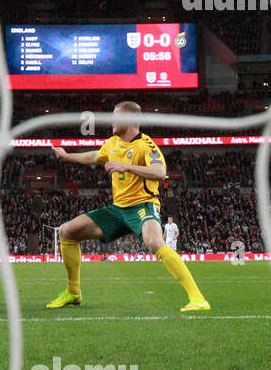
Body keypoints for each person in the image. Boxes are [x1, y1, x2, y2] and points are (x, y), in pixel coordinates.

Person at [48, 101, 209, 312]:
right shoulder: (113, 142)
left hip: (143, 205)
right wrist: (67, 155)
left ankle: (198, 298)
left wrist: (126, 166)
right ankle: (73, 292)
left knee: (154, 242)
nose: (112, 121)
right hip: (118, 209)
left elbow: (160, 173)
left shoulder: (146, 145)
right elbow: (95, 156)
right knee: (67, 231)